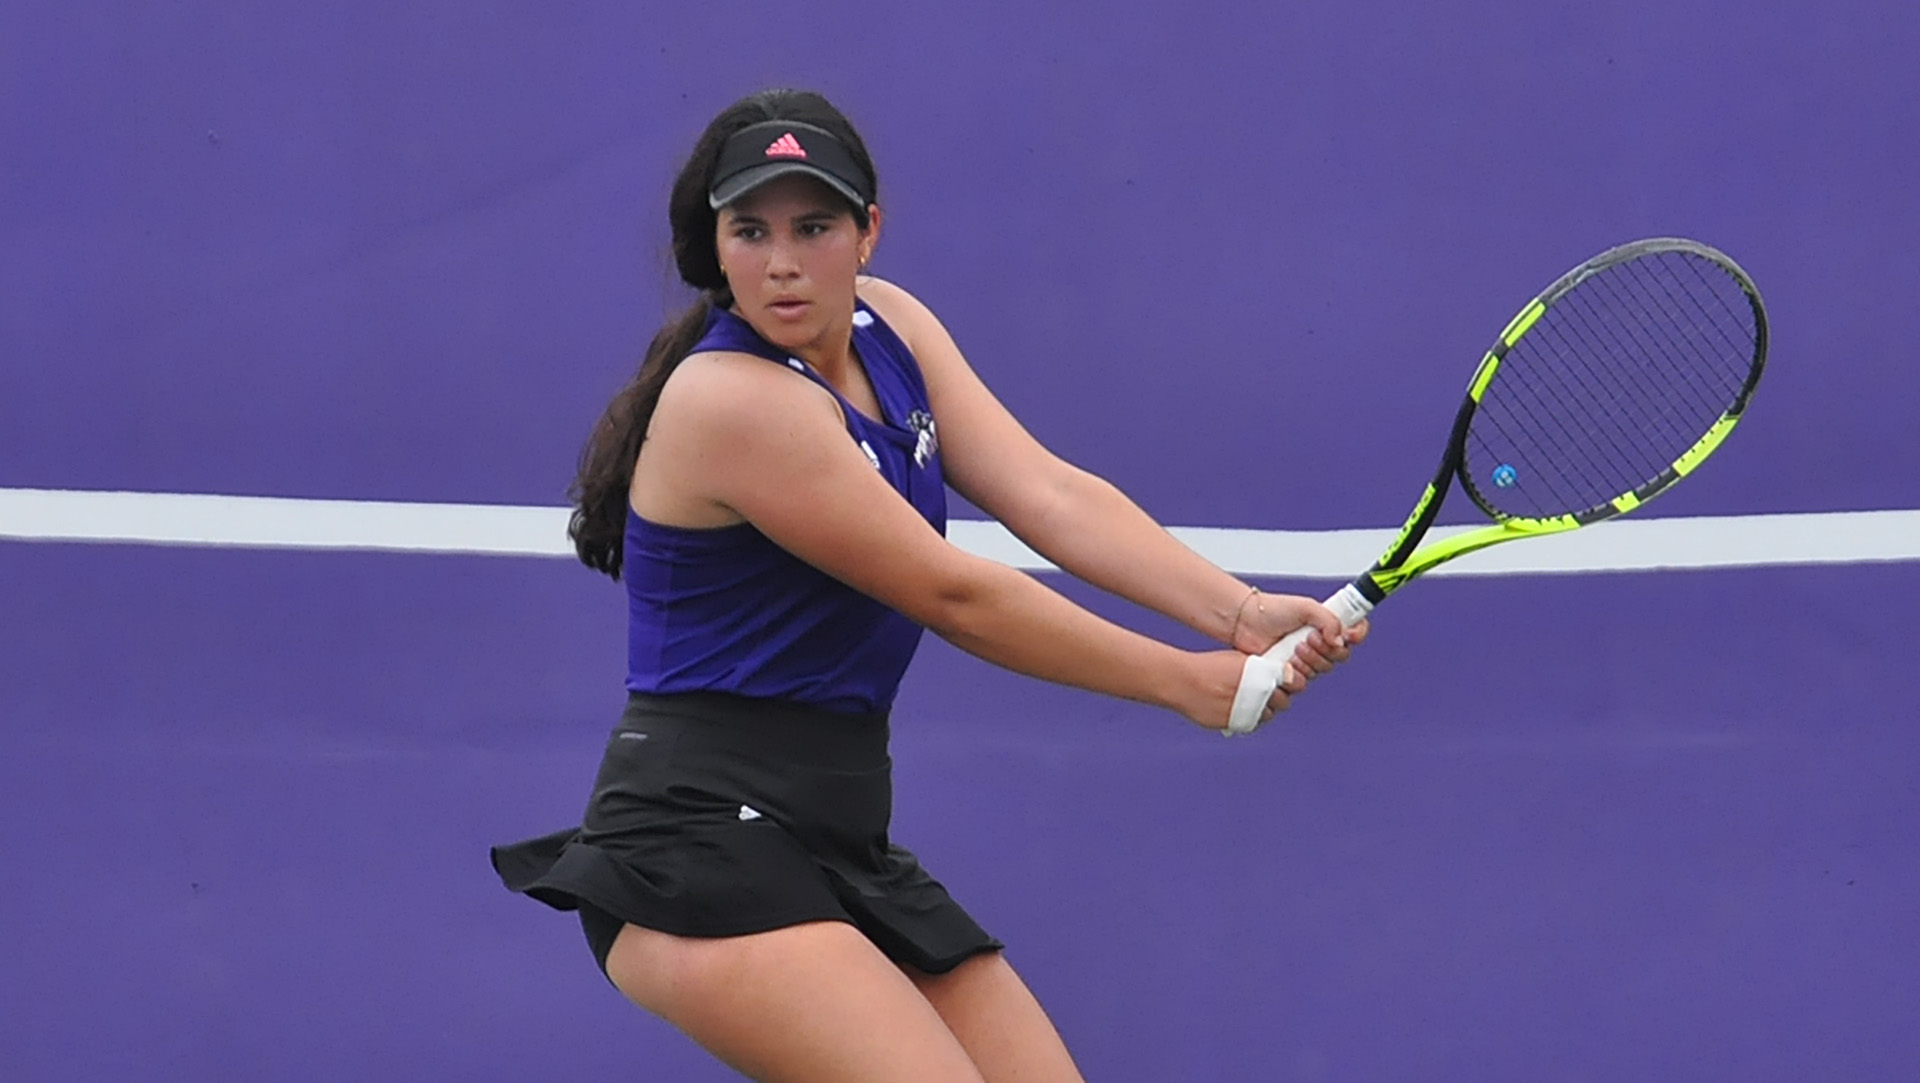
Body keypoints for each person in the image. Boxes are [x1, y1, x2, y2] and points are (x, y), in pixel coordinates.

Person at [491, 87, 1367, 1083]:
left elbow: (1049, 494)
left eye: (814, 226)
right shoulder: (731, 400)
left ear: (867, 231)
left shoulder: (892, 327)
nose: (782, 261)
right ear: (716, 247)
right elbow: (956, 595)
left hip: (836, 833)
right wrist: (1186, 681)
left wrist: (1239, 610)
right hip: (691, 841)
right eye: (751, 231)